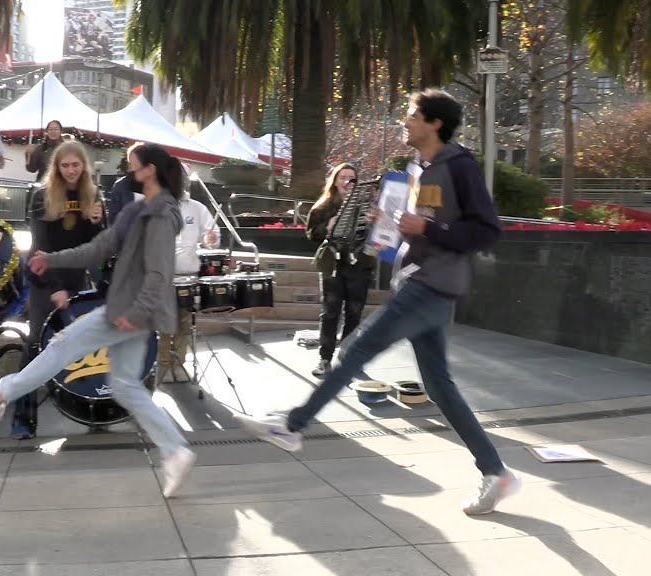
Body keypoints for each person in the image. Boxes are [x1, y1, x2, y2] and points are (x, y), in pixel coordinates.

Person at [237, 88, 519, 516]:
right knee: (440, 387)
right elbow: (421, 224)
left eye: (410, 115)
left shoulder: (459, 166)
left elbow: (486, 232)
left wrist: (425, 228)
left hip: (434, 284)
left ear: (434, 122)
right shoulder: (416, 168)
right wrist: (391, 227)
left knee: (353, 350)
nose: (403, 121)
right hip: (414, 281)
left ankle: (292, 426)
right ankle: (495, 472)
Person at [0, 143, 197, 498]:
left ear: (149, 171)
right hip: (131, 309)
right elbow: (97, 248)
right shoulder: (138, 209)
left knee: (61, 345)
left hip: (130, 309)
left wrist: (137, 312)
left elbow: (159, 272)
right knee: (126, 385)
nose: (127, 171)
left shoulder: (160, 214)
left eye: (132, 166)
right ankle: (175, 450)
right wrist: (50, 260)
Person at [14, 140, 106, 439]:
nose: (70, 170)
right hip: (45, 279)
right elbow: (39, 248)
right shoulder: (42, 196)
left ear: (84, 166)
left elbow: (94, 247)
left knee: (81, 345)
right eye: (64, 165)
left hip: (75, 278)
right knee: (35, 345)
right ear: (56, 167)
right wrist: (53, 288)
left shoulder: (91, 195)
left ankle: (91, 411)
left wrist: (97, 222)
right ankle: (23, 420)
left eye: (75, 165)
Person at [306, 163, 376, 378]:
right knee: (330, 313)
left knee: (354, 314)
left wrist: (375, 224)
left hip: (360, 266)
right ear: (335, 181)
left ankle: (348, 358)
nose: (347, 182)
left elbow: (379, 236)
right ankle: (324, 358)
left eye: (351, 178)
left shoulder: (368, 206)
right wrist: (326, 227)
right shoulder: (322, 207)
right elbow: (310, 234)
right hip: (333, 266)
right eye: (342, 177)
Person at [167, 175, 218, 380]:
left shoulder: (197, 208)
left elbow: (210, 235)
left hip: (187, 275)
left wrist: (211, 239)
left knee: (184, 323)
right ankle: (162, 364)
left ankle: (179, 365)